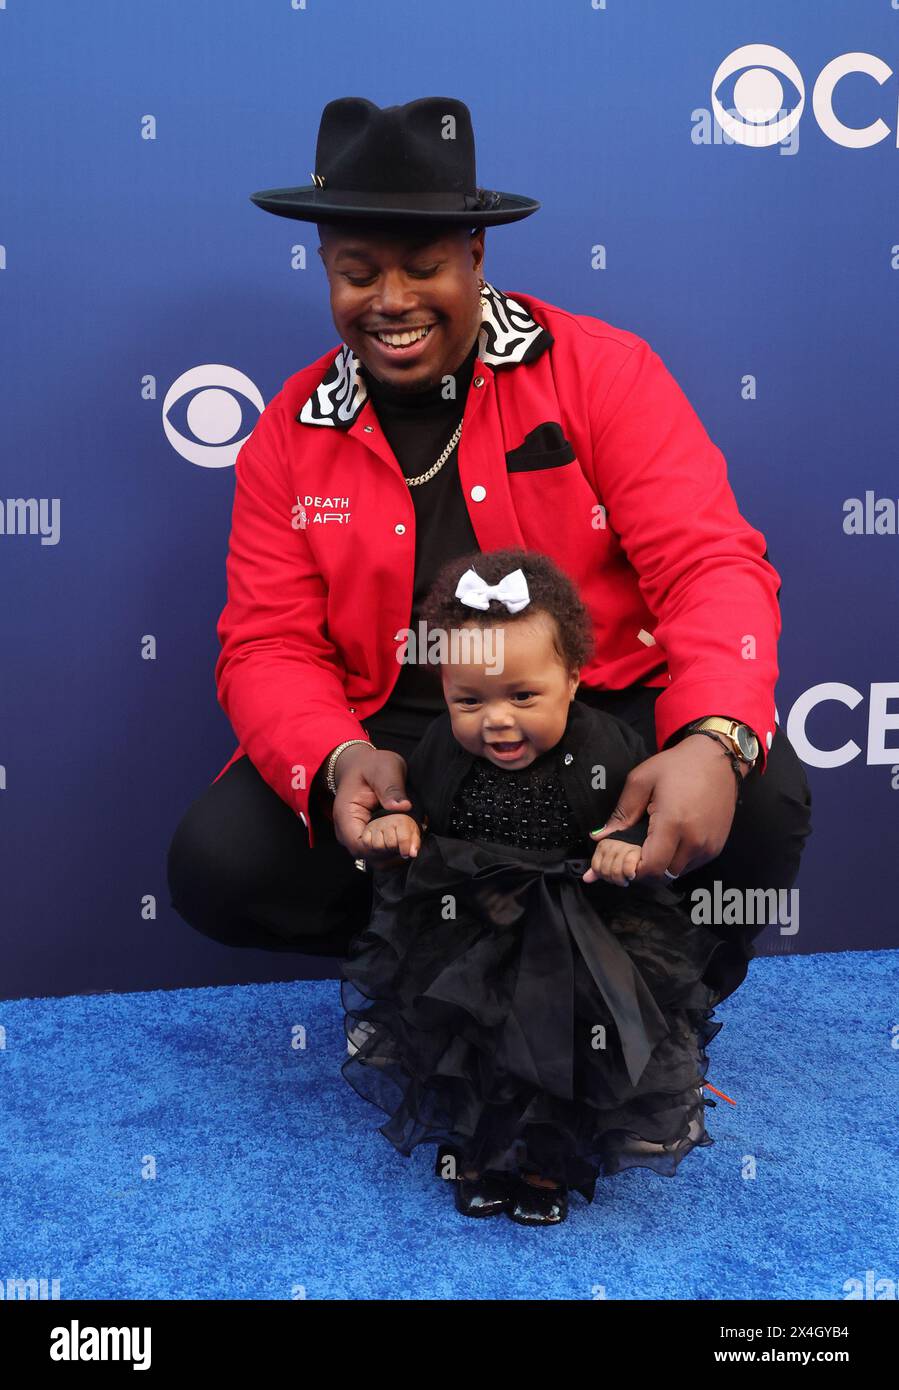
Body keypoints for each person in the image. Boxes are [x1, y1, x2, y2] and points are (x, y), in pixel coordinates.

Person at [166, 95, 812, 1021]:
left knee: (759, 794)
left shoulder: (602, 371)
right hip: (406, 747)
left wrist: (713, 735)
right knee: (220, 862)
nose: (389, 302)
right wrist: (337, 756)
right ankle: (441, 989)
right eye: (357, 274)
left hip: (591, 722)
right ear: (325, 273)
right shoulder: (286, 435)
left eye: (423, 268)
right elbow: (268, 645)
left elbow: (710, 564)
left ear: (476, 255)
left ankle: (655, 1019)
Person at [341, 548, 737, 1226]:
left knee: (563, 1056)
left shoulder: (608, 747)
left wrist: (626, 850)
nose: (495, 719)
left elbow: (641, 824)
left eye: (522, 696)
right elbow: (420, 821)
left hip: (576, 925)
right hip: (473, 927)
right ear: (443, 690)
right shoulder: (439, 746)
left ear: (572, 678)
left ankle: (543, 1168)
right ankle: (473, 1158)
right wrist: (394, 836)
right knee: (474, 1051)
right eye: (470, 700)